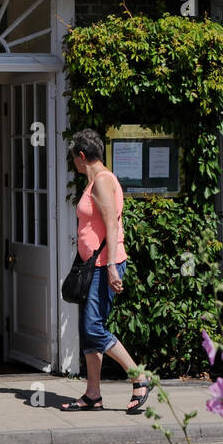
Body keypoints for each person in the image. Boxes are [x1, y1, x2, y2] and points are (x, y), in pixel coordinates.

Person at [60, 128, 153, 414]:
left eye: (74, 158)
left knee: (93, 328)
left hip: (104, 265)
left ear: (82, 156)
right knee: (88, 333)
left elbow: (112, 224)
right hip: (93, 266)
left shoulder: (102, 181)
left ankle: (139, 376)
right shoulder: (94, 182)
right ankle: (92, 394)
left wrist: (112, 265)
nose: (74, 163)